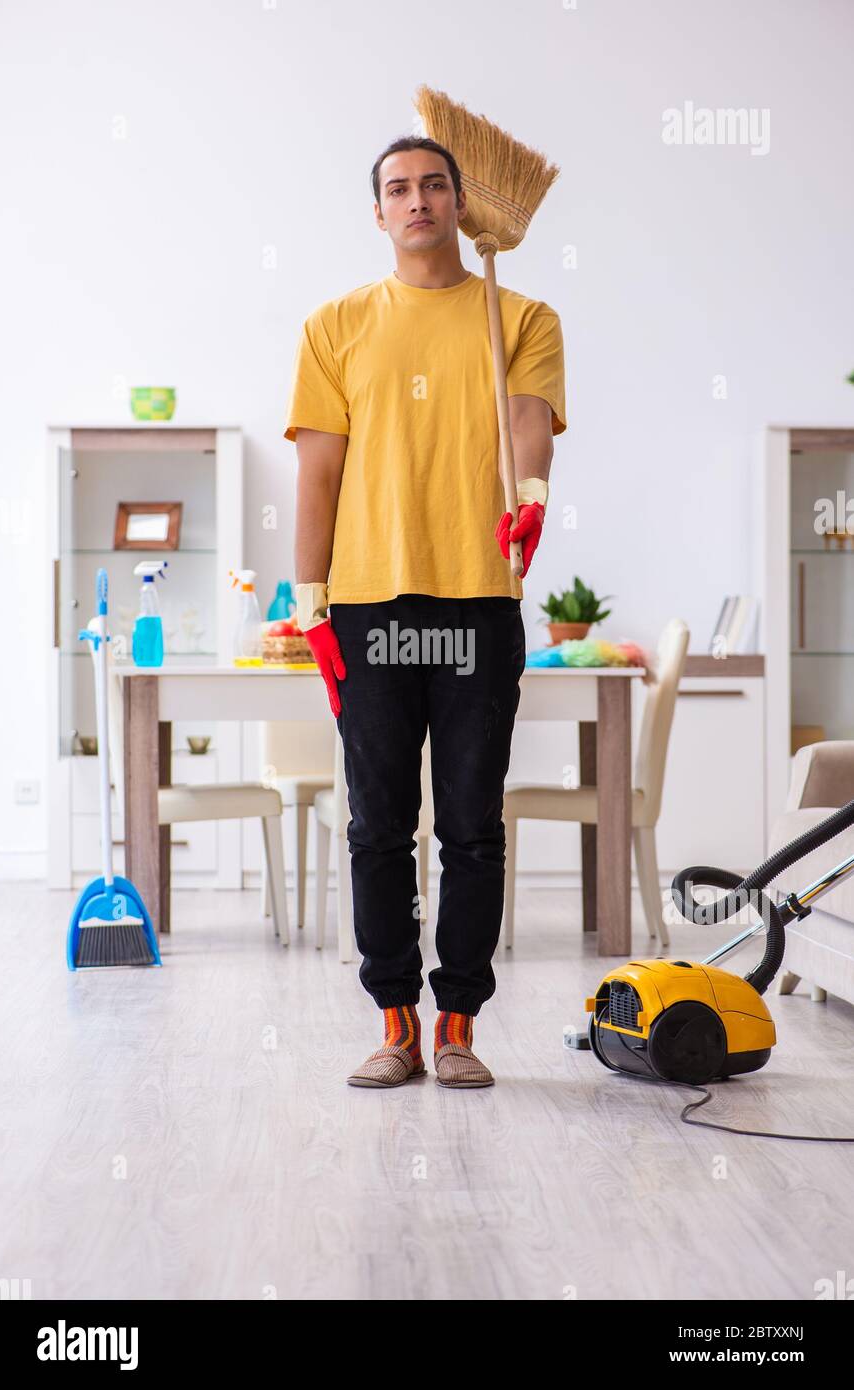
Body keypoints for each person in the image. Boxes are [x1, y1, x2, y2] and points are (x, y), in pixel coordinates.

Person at [284, 134, 566, 1089]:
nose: (417, 201)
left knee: (471, 826)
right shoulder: (335, 325)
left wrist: (529, 491)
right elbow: (316, 472)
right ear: (377, 212)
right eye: (398, 189)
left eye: (433, 185)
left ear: (460, 201)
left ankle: (458, 1024)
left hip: (479, 598)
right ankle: (394, 1019)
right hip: (367, 604)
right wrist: (311, 603)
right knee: (376, 826)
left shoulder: (519, 315)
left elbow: (528, 419)